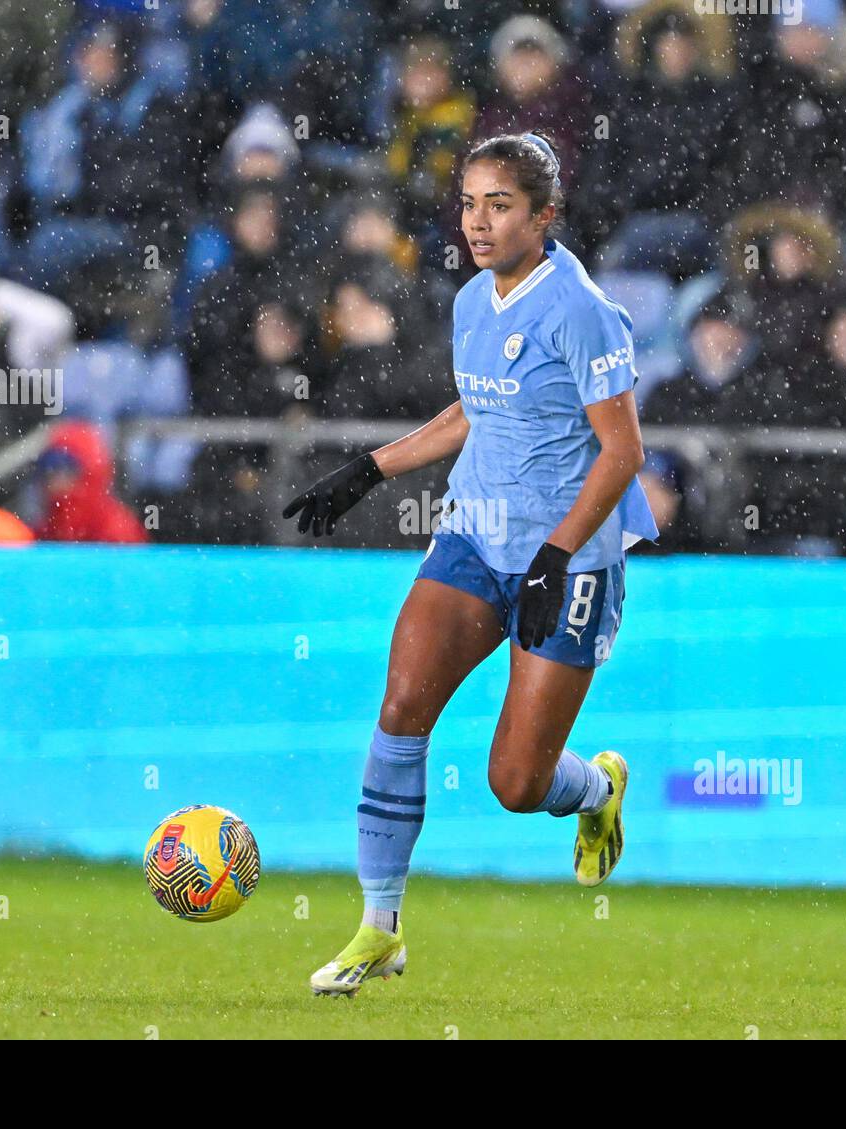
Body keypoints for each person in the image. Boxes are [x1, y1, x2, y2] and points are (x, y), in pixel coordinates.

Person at [282, 132, 659, 997]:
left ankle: (595, 786)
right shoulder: (469, 302)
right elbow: (476, 411)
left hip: (568, 562)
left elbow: (622, 451)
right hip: (474, 535)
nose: (479, 222)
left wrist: (558, 555)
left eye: (501, 205)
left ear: (544, 215)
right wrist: (371, 468)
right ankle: (380, 928)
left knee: (517, 783)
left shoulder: (582, 309)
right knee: (403, 701)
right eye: (469, 203)